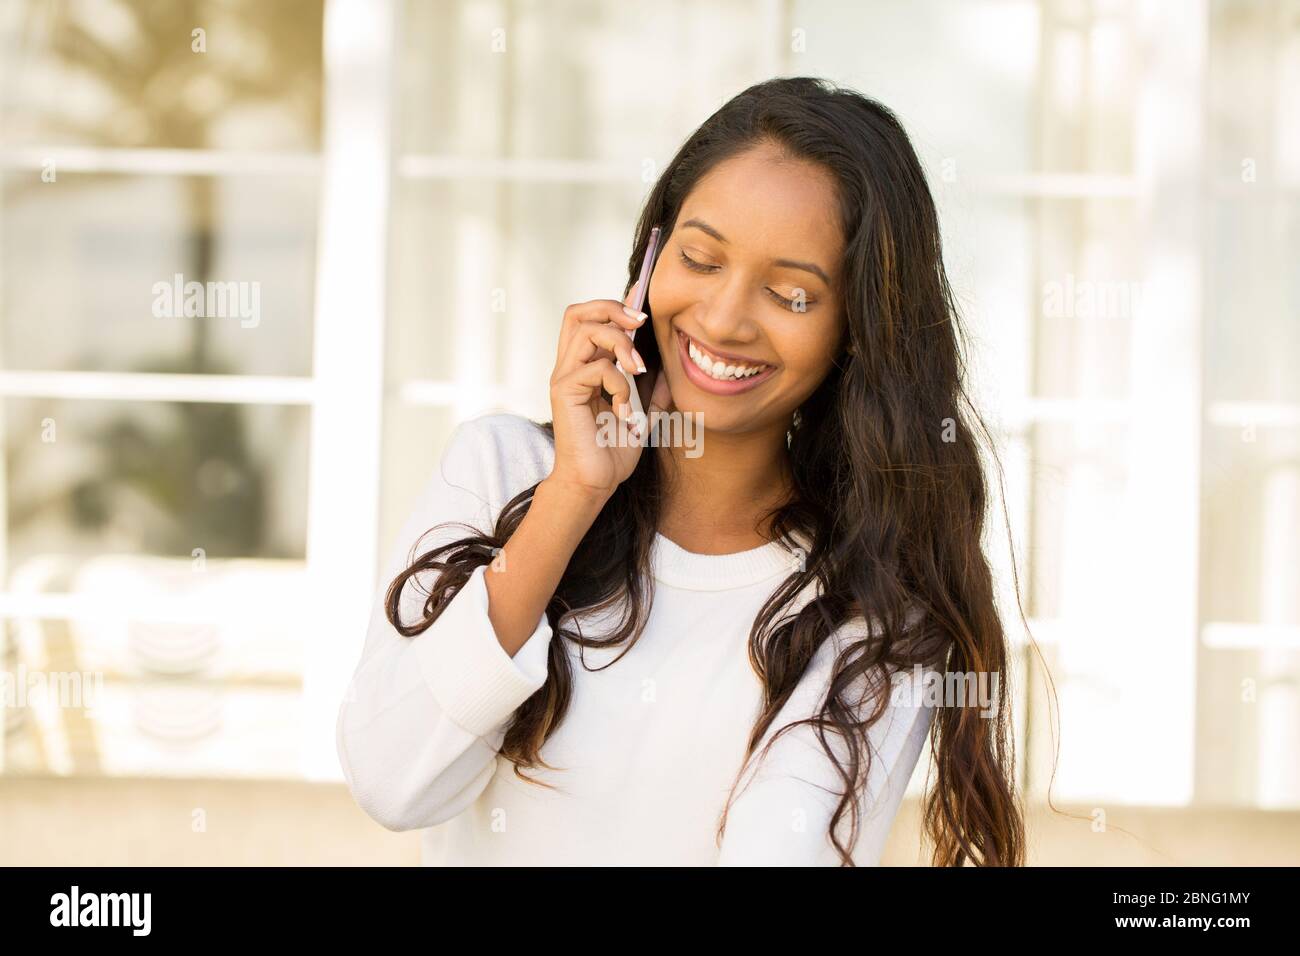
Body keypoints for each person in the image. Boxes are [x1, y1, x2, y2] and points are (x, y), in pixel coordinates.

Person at [337, 76, 1025, 866]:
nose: (725, 318)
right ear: (652, 255)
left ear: (857, 327)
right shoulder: (500, 469)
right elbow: (393, 783)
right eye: (700, 258)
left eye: (791, 295)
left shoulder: (870, 603)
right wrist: (572, 494)